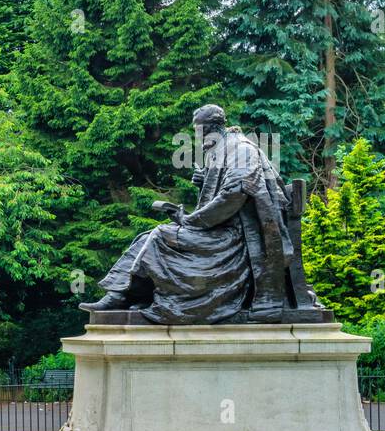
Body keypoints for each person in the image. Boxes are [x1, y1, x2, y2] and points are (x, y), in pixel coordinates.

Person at [81, 104, 295, 324]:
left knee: (160, 236)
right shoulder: (221, 151)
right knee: (146, 237)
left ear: (212, 128)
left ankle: (129, 296)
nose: (197, 137)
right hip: (218, 230)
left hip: (236, 240)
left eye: (199, 131)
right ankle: (118, 295)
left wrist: (193, 220)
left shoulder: (241, 149)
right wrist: (203, 184)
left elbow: (234, 194)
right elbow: (222, 193)